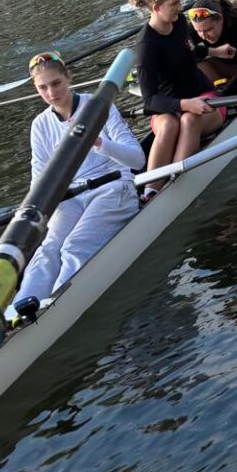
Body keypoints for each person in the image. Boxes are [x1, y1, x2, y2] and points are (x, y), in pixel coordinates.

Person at [13, 51, 145, 313]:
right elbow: (39, 180)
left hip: (113, 187)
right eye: (42, 87)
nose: (51, 93)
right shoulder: (39, 125)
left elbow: (138, 160)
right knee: (47, 250)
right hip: (70, 199)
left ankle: (56, 311)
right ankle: (19, 313)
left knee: (75, 245)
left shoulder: (98, 107)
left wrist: (99, 143)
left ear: (68, 77)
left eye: (56, 84)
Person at [130, 0, 226, 190]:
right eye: (174, 3)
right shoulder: (146, 45)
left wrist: (215, 51)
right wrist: (184, 104)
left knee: (189, 120)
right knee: (169, 125)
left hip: (204, 97)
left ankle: (176, 186)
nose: (181, 7)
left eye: (180, 1)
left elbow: (189, 53)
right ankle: (151, 190)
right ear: (156, 7)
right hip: (169, 107)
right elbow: (150, 101)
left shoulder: (180, 22)